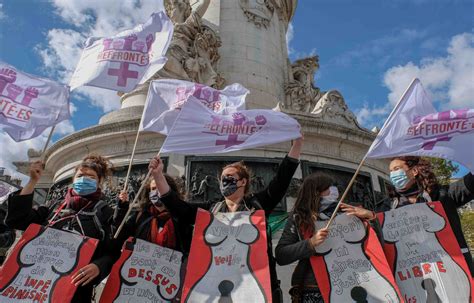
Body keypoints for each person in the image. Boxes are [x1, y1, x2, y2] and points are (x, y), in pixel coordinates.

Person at [150, 137, 303, 303]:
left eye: (230, 177)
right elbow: (180, 208)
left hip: (255, 287)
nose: (224, 181)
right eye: (222, 178)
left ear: (243, 181)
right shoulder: (211, 210)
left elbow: (281, 180)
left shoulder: (257, 205)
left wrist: (297, 145)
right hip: (217, 288)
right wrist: (158, 176)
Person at [6, 155, 119, 302]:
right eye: (80, 175)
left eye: (90, 176)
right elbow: (17, 220)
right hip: (35, 284)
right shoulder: (54, 206)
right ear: (73, 180)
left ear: (99, 182)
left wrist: (99, 266)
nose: (84, 179)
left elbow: (113, 252)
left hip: (74, 290)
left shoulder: (105, 212)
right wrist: (32, 181)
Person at [275, 173, 376, 303]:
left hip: (351, 281)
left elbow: (376, 242)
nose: (334, 191)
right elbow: (281, 255)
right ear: (316, 192)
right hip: (315, 288)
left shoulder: (348, 212)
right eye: (329, 188)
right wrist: (310, 243)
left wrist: (370, 216)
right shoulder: (298, 218)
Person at [378, 156, 474, 275]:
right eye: (391, 171)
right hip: (417, 276)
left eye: (396, 169)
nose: (393, 174)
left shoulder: (443, 195)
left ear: (414, 171)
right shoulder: (388, 206)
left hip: (454, 269)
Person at [113, 174, 193, 254]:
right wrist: (122, 208)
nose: (157, 192)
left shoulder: (181, 217)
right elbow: (121, 236)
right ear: (149, 193)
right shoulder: (141, 216)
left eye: (160, 187)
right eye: (153, 189)